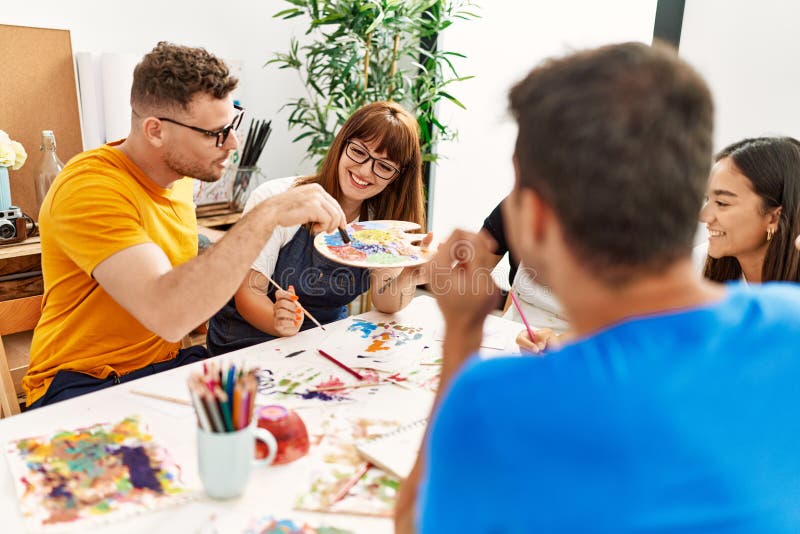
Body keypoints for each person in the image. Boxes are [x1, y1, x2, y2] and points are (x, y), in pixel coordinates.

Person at [396, 42, 800, 532]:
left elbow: (415, 521)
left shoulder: (499, 404)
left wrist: (462, 335)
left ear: (537, 217)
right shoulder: (788, 321)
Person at [23, 42, 348, 408]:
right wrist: (266, 215)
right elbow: (170, 314)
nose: (233, 143)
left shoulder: (179, 175)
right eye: (215, 134)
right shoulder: (88, 189)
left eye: (233, 121)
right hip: (84, 381)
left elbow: (170, 244)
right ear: (156, 130)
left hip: (165, 368)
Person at [206, 101, 428, 355]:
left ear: (397, 177)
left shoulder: (380, 223)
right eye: (358, 151)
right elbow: (248, 295)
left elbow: (385, 301)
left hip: (322, 345)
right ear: (342, 144)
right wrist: (279, 322)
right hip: (247, 344)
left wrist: (409, 275)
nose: (366, 170)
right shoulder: (277, 198)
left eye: (385, 166)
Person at [700, 136, 800, 283]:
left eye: (722, 203)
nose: (703, 216)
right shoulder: (694, 267)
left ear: (774, 218)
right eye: (707, 199)